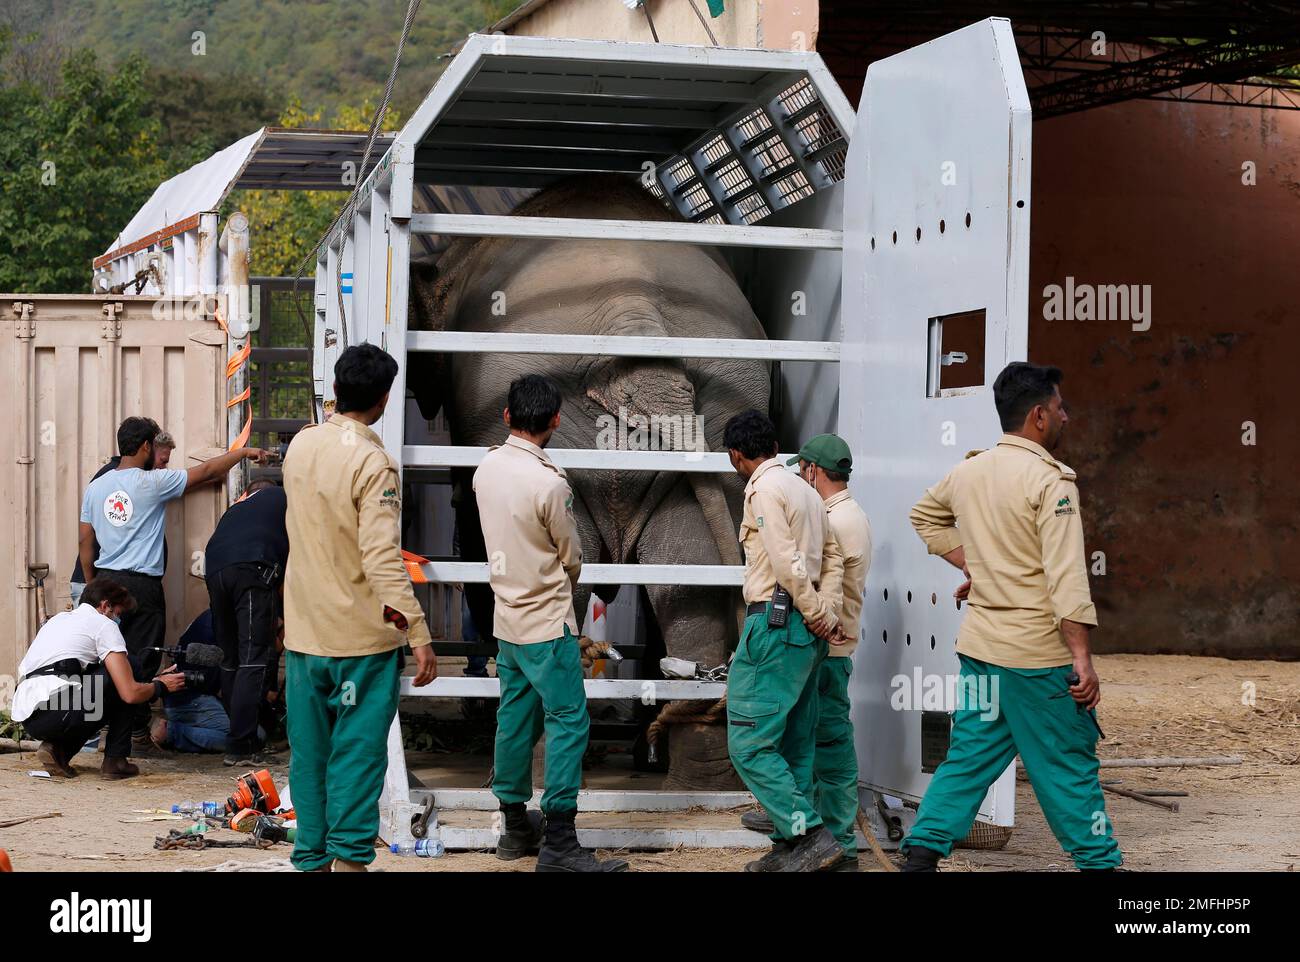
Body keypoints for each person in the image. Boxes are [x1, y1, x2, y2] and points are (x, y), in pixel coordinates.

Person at [900, 361, 1122, 872]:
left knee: (969, 760)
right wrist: (1082, 658)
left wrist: (974, 564)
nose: (1067, 416)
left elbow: (924, 515)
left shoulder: (970, 471)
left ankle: (919, 858)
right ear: (1040, 417)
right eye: (1061, 407)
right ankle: (1101, 865)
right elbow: (1067, 579)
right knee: (1068, 767)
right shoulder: (1054, 483)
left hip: (982, 653)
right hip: (1039, 662)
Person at [281, 343, 437, 873]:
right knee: (357, 756)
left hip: (304, 640)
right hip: (361, 643)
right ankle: (349, 864)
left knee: (310, 758)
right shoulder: (374, 463)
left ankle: (311, 862)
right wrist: (416, 630)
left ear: (336, 389)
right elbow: (381, 558)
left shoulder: (299, 447)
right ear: (385, 399)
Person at [473, 374, 627, 873]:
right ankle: (560, 840)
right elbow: (572, 555)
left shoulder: (485, 469)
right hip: (546, 624)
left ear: (507, 417)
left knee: (514, 719)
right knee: (567, 721)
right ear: (557, 421)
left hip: (506, 622)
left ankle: (514, 825)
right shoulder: (550, 483)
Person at [78, 417, 268, 752]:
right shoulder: (151, 483)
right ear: (147, 446)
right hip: (141, 587)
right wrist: (242, 453)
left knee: (107, 659)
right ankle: (135, 736)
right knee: (142, 661)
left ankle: (106, 732)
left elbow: (85, 543)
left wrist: (94, 589)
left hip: (105, 583)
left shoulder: (96, 487)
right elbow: (208, 473)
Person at [740, 434, 873, 868]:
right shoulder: (840, 513)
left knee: (825, 751)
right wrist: (825, 616)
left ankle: (827, 841)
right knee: (805, 746)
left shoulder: (835, 516)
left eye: (804, 469)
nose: (800, 475)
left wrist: (821, 616)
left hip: (823, 647)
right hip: (826, 641)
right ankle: (800, 841)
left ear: (814, 470)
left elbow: (795, 566)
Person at [723, 410, 846, 873]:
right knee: (795, 743)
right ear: (774, 446)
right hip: (805, 635)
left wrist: (813, 611)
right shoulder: (806, 490)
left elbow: (784, 559)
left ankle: (809, 834)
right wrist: (825, 612)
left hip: (774, 626)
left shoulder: (764, 488)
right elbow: (833, 556)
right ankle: (790, 845)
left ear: (737, 454)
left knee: (749, 743)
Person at [11, 577, 186, 779]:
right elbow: (129, 694)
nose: (117, 620)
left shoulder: (59, 619)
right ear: (105, 606)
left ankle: (57, 750)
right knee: (132, 666)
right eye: (118, 614)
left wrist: (151, 681)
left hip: (30, 717)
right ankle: (115, 760)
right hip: (59, 711)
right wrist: (160, 686)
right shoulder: (104, 624)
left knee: (104, 687)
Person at [204, 478, 289, 766]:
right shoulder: (286, 498)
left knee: (230, 660)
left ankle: (242, 740)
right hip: (252, 569)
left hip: (215, 570)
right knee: (254, 659)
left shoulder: (236, 509)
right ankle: (242, 748)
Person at [149, 610, 230, 754]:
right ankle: (171, 732)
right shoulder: (219, 624)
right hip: (190, 700)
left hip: (192, 697)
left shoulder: (211, 615)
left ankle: (180, 729)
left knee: (247, 730)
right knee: (247, 738)